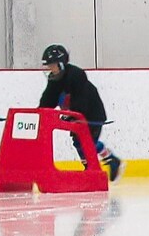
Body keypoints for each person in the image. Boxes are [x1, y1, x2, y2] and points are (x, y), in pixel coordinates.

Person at [38, 44, 124, 182]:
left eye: (52, 65)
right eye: (49, 66)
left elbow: (81, 98)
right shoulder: (54, 79)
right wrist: (39, 112)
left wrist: (73, 115)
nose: (50, 69)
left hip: (92, 115)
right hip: (76, 116)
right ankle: (91, 167)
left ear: (61, 63)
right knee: (78, 143)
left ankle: (109, 161)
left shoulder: (76, 74)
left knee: (88, 142)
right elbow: (49, 98)